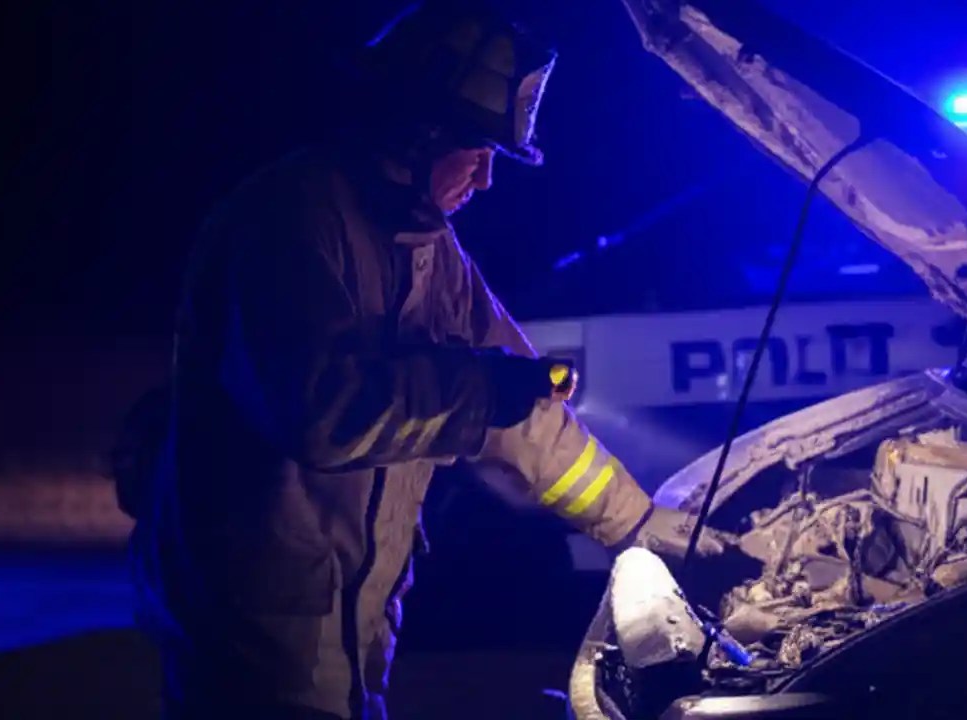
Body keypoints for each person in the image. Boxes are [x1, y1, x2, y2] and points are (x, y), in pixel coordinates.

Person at [130, 2, 731, 718]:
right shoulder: (288, 226)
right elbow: (320, 415)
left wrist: (637, 525)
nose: (484, 182)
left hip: (339, 630)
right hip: (250, 633)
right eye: (477, 154)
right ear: (419, 130)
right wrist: (484, 392)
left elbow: (530, 422)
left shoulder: (430, 253)